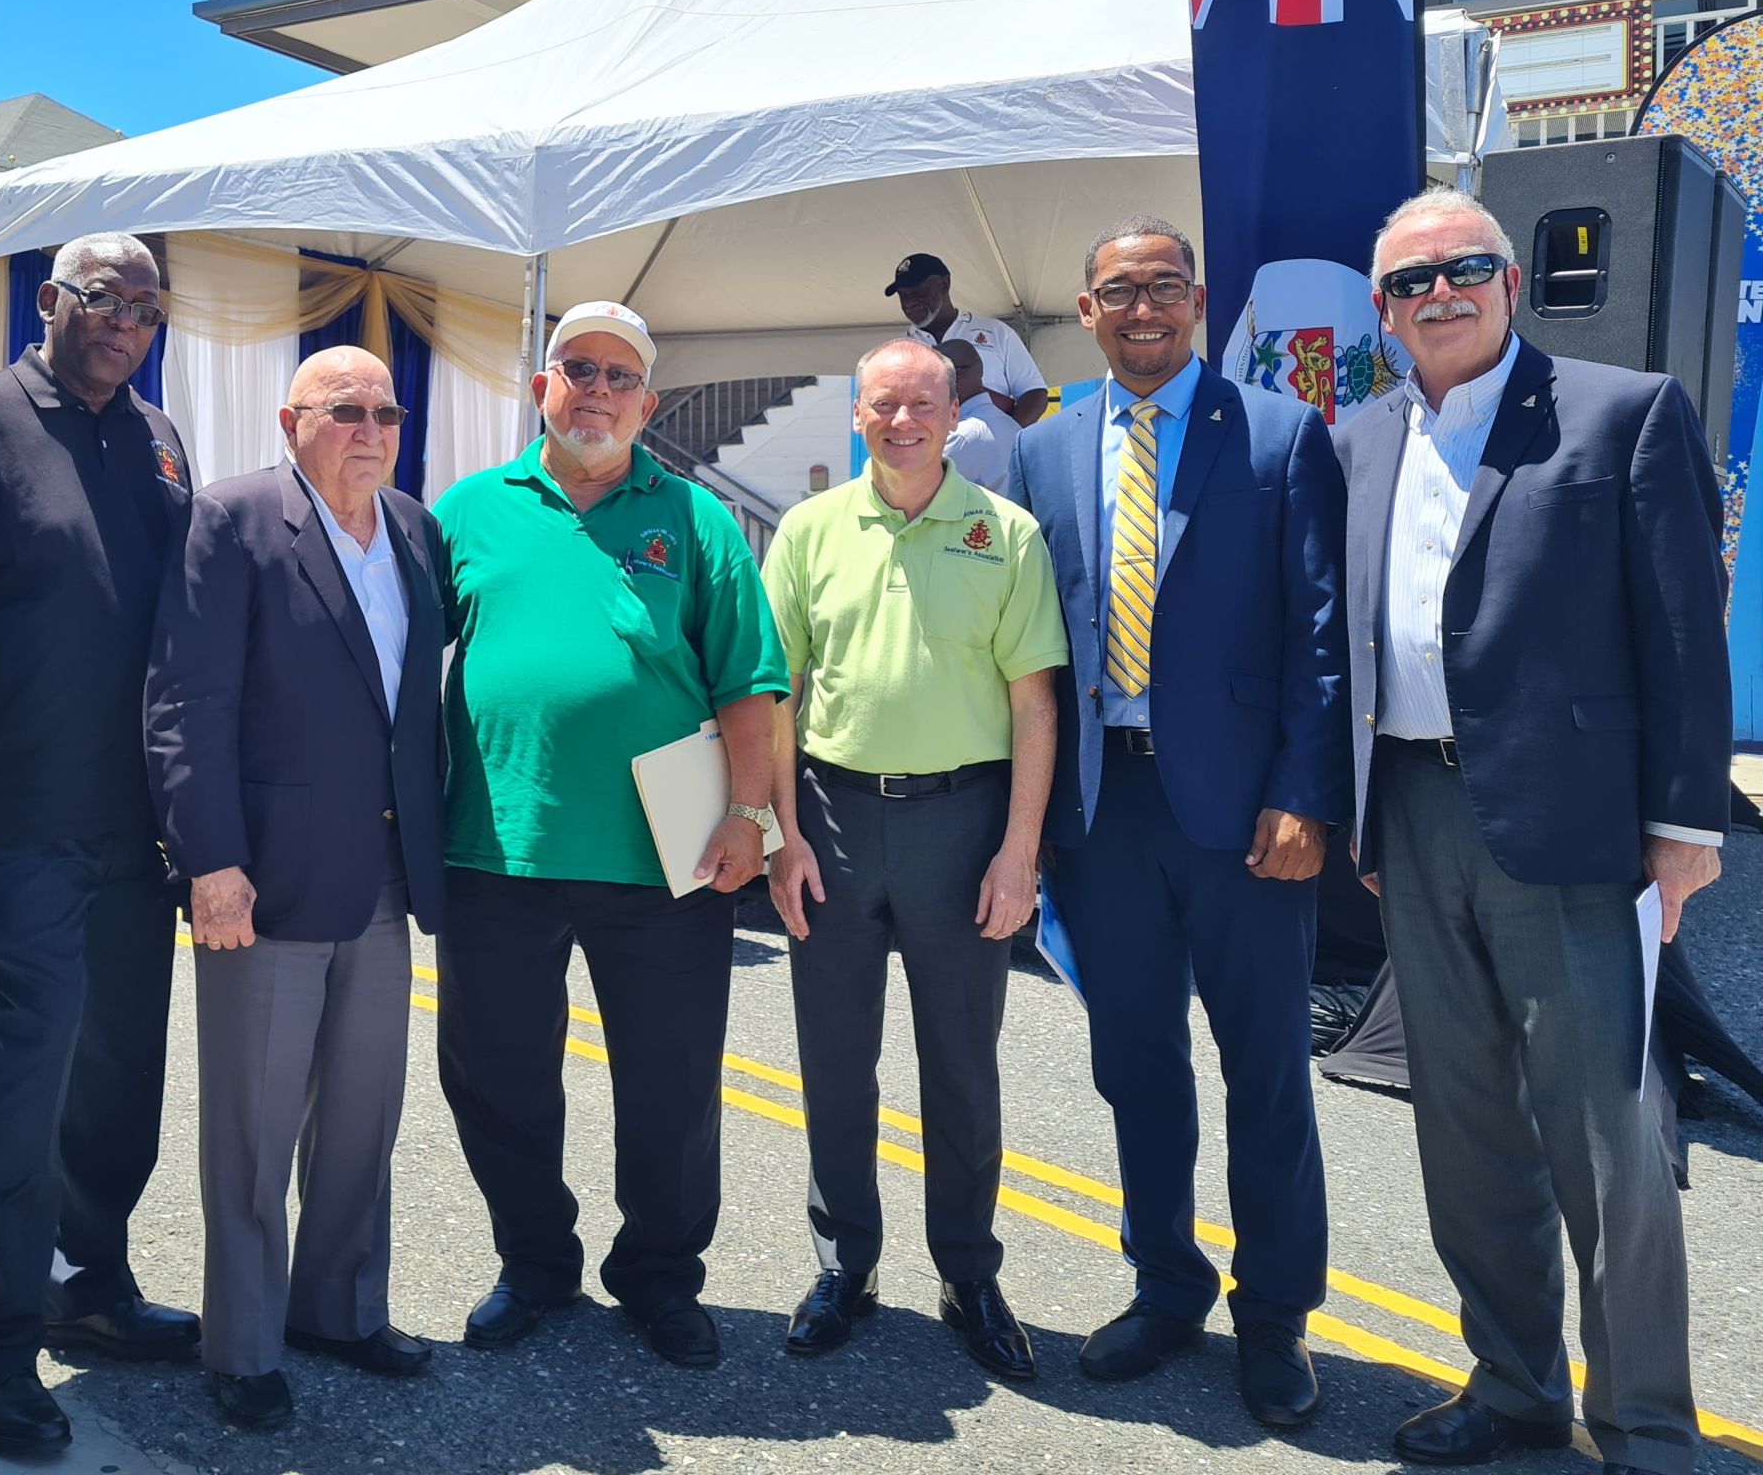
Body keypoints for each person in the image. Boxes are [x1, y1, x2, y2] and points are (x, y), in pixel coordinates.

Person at [1337, 193, 1726, 1475]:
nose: (1436, 294)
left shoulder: (1621, 411)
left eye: (1462, 270)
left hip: (1569, 827)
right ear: (1383, 310)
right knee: (1463, 1127)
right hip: (1409, 807)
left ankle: (1645, 1428)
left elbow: (1680, 631)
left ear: (1510, 281)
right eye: (1408, 282)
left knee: (1605, 1139)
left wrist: (1682, 827)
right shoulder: (1361, 438)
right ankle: (1511, 1387)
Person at [1002, 215, 1345, 1432]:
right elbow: (1028, 648)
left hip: (1246, 811)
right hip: (1104, 810)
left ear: (1195, 302)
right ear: (1084, 310)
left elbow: (1316, 631)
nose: (1140, 309)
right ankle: (1165, 1288)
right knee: (1134, 1064)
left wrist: (1305, 792)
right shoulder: (1039, 454)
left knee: (1265, 1076)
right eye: (1115, 291)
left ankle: (1274, 1317)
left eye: (1161, 287)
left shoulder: (1279, 432)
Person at [432, 300, 788, 1372]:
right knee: (494, 1077)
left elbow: (750, 683)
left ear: (649, 400)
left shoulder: (693, 518)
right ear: (541, 384)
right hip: (496, 849)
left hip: (666, 852)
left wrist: (751, 814)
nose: (594, 389)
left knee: (671, 1085)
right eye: (574, 368)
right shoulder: (466, 511)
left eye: (617, 376)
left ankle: (659, 1278)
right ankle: (535, 1265)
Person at [0, 233, 199, 1450]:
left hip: (136, 827)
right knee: (25, 1083)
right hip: (14, 817)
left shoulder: (156, 438)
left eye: (144, 305)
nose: (124, 321)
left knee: (122, 1074)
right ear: (48, 303)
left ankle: (92, 1288)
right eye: (101, 298)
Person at [147, 348, 449, 1431]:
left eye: (386, 411)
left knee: (365, 1114)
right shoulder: (232, 521)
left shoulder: (414, 529)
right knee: (253, 1125)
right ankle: (241, 1345)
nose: (370, 428)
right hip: (262, 880)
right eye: (345, 410)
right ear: (290, 420)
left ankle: (339, 1308)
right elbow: (186, 703)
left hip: (381, 873)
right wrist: (210, 865)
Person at [762, 339, 1065, 1375]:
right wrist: (783, 836)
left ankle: (967, 1273)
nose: (903, 421)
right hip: (834, 822)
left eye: (921, 404)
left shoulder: (1004, 533)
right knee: (836, 1063)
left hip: (960, 823)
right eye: (883, 405)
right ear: (856, 415)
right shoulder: (806, 532)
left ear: (954, 413)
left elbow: (1034, 704)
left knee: (962, 1066)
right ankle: (846, 1264)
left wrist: (1018, 853)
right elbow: (778, 699)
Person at [886, 253, 1048, 426]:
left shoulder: (996, 332)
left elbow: (1035, 393)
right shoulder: (897, 352)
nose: (909, 301)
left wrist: (1006, 436)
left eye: (918, 290)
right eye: (903, 294)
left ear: (944, 284)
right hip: (927, 449)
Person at [940, 338, 1022, 491]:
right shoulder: (1011, 425)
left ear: (953, 377)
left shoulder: (960, 435)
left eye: (930, 376)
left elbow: (916, 493)